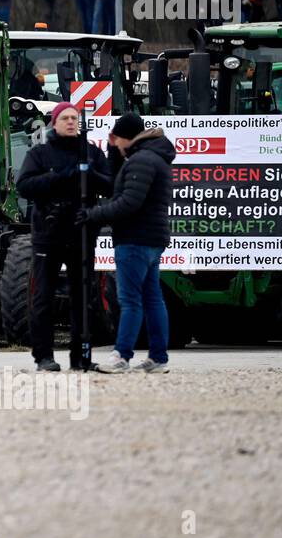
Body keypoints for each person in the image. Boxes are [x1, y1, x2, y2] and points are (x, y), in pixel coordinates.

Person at [15, 103, 112, 371]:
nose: (71, 122)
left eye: (75, 118)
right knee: (43, 297)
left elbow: (112, 184)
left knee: (84, 297)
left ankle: (81, 357)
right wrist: (57, 178)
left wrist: (91, 176)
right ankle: (44, 356)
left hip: (81, 233)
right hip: (49, 234)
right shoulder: (40, 154)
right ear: (54, 123)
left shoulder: (90, 152)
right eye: (66, 118)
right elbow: (24, 186)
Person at [79, 112, 175, 374]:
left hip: (135, 238)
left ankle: (121, 356)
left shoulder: (141, 161)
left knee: (130, 300)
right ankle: (158, 358)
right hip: (152, 239)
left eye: (115, 139)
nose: (113, 144)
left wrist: (92, 214)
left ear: (125, 137)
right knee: (153, 299)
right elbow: (121, 188)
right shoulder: (154, 157)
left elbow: (129, 202)